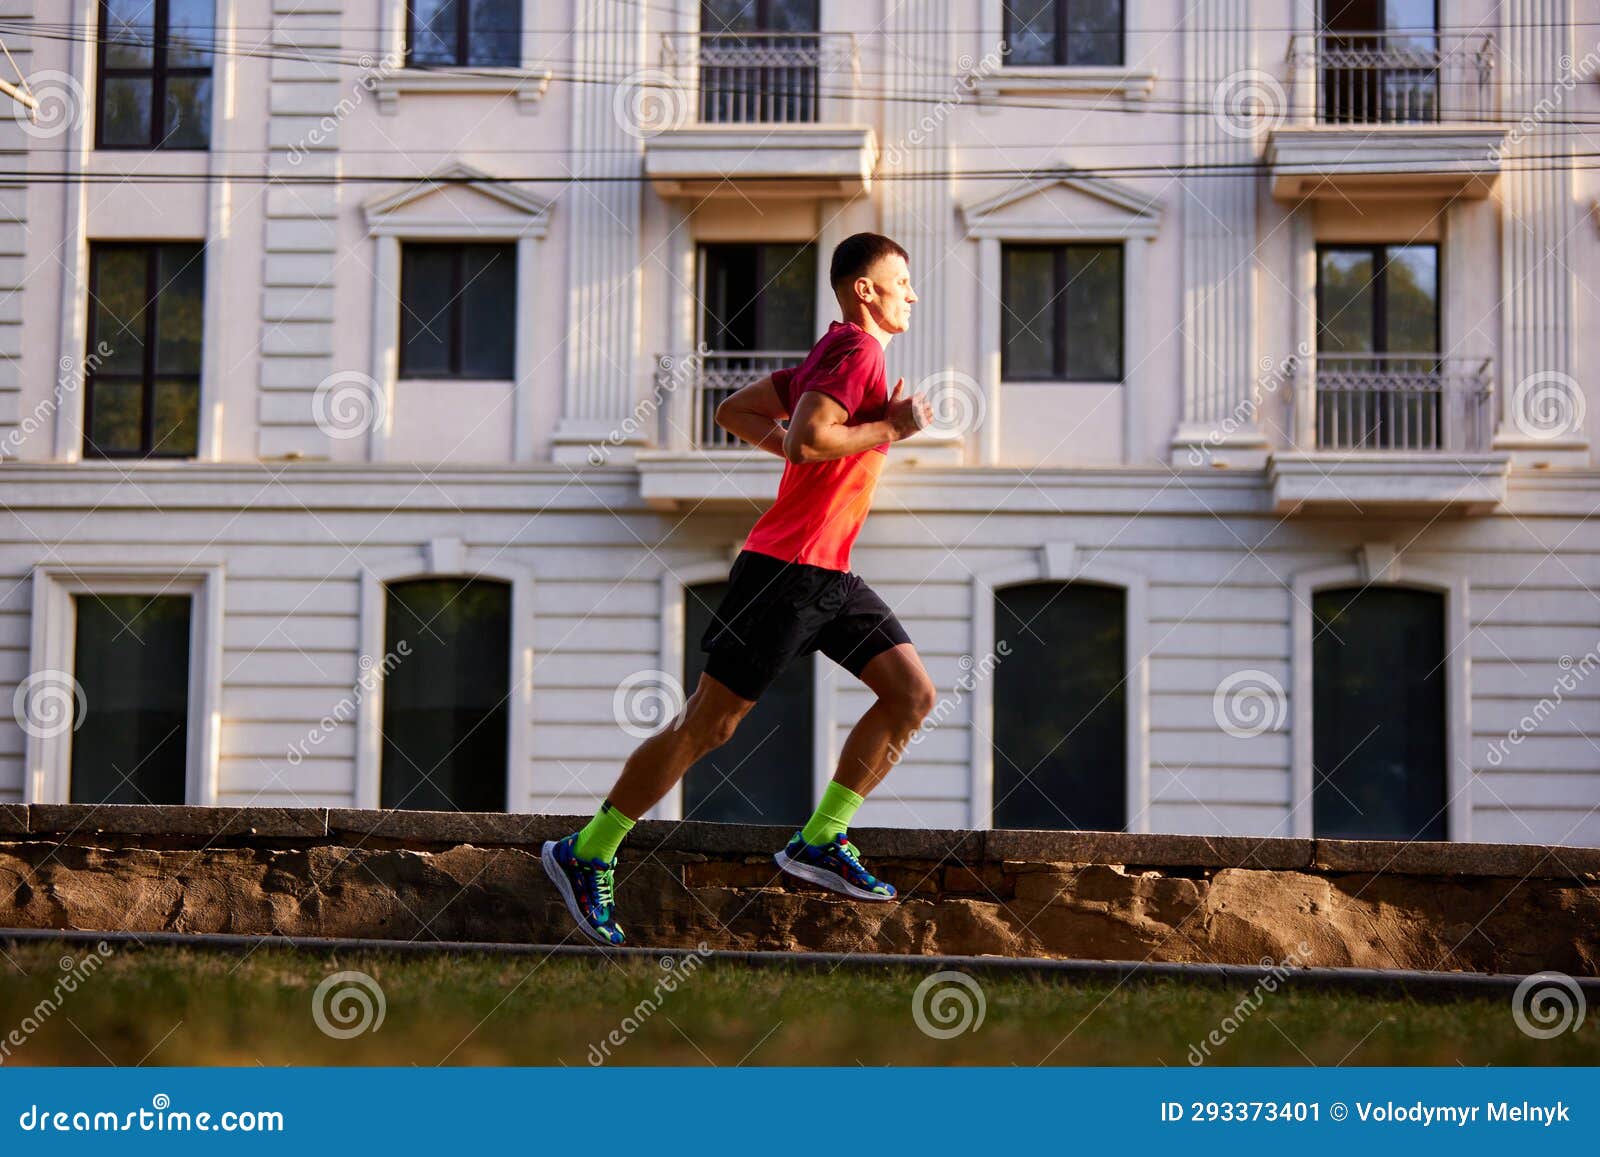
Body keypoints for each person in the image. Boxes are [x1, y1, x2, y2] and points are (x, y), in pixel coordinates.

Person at [543, 232, 937, 945]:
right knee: (708, 725)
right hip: (786, 573)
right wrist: (890, 426)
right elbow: (808, 438)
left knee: (912, 694)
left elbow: (737, 412)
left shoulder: (829, 354)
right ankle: (587, 849)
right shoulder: (858, 352)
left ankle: (819, 840)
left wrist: (810, 455)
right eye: (901, 281)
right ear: (864, 291)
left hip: (830, 575)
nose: (912, 294)